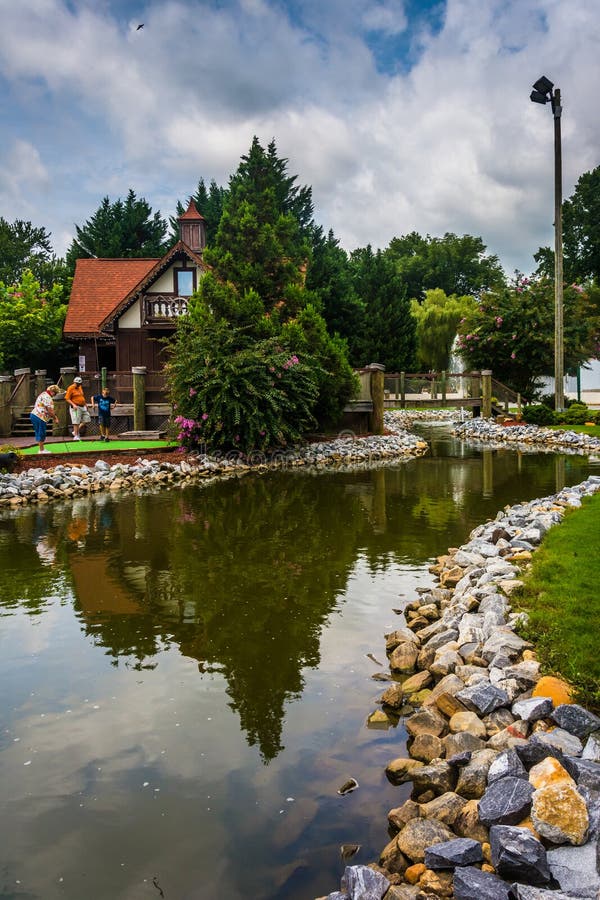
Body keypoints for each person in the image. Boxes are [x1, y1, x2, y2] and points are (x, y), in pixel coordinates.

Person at [30, 384, 60, 454]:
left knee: (39, 432)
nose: (54, 395)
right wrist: (55, 418)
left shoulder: (43, 394)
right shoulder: (48, 397)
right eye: (55, 394)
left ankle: (41, 449)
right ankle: (41, 450)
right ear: (53, 392)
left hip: (34, 415)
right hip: (40, 416)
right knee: (41, 432)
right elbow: (50, 411)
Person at [64, 375, 90, 440]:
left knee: (87, 419)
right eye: (77, 383)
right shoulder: (71, 388)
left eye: (79, 384)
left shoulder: (80, 387)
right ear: (74, 382)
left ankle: (74, 431)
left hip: (82, 406)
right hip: (75, 407)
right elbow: (67, 398)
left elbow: (81, 396)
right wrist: (73, 404)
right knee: (76, 421)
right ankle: (76, 436)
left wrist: (85, 404)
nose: (78, 385)